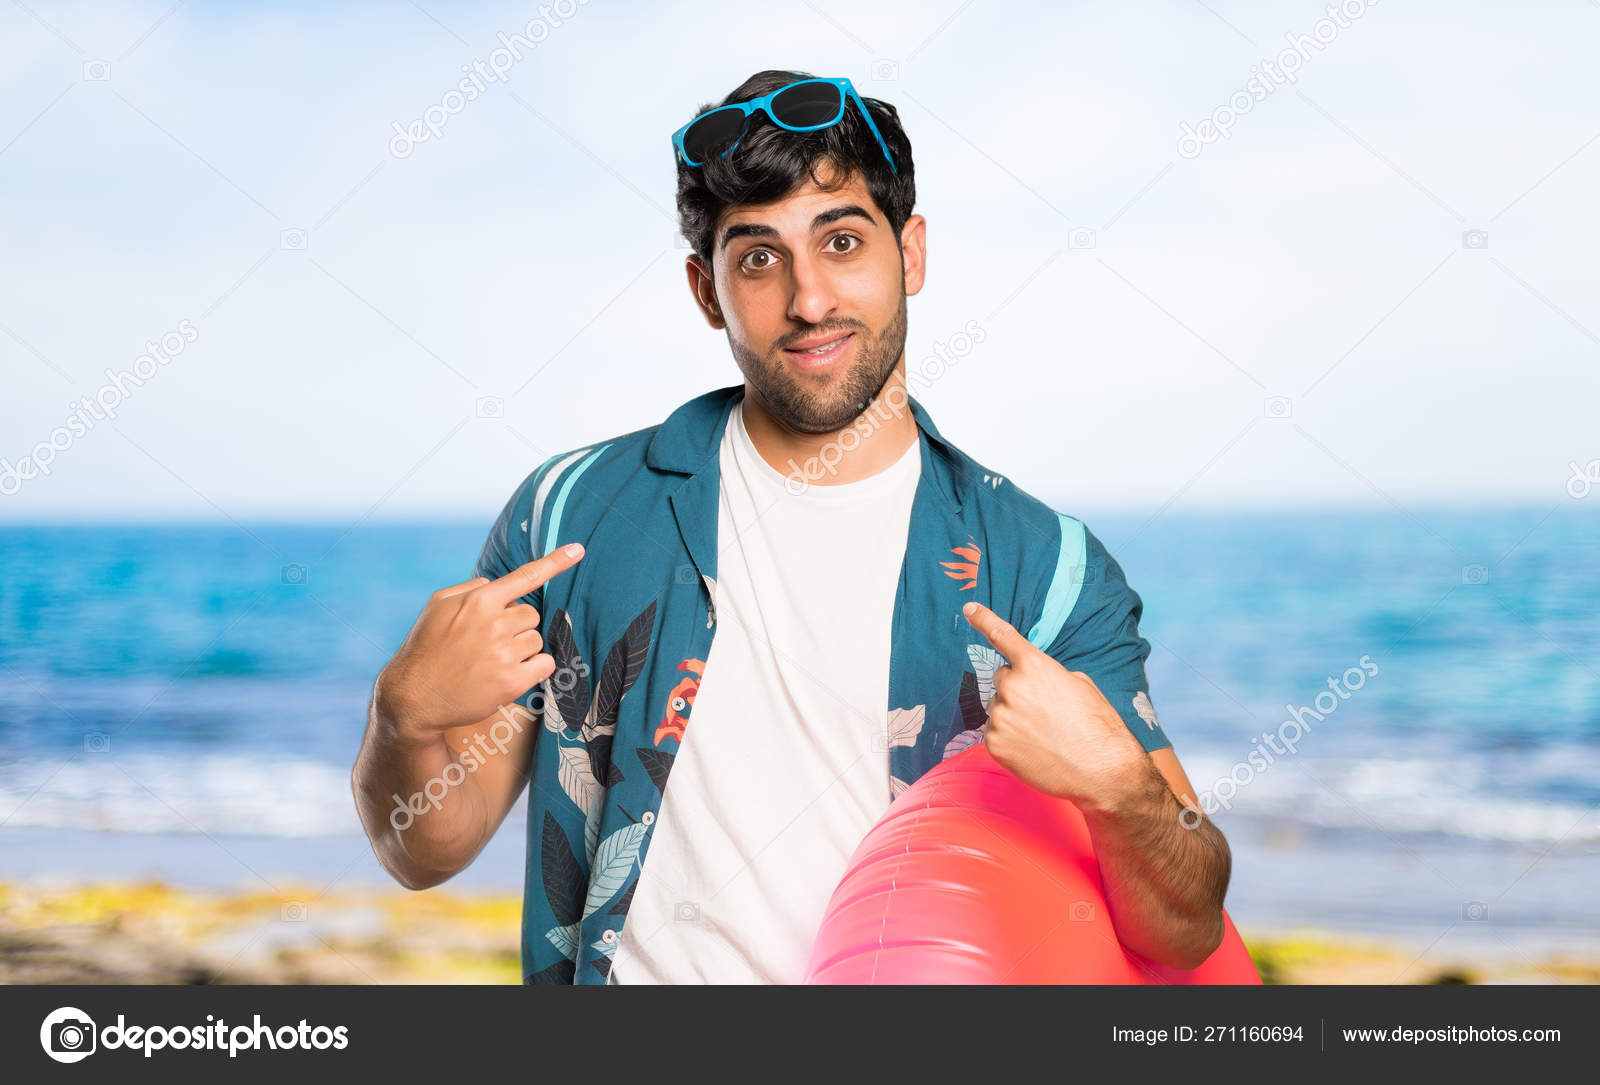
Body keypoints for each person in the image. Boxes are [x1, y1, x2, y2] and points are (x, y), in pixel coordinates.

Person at [352, 69, 1231, 985]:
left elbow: (1186, 927)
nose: (809, 300)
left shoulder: (1045, 568)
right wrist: (402, 716)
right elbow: (423, 850)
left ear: (912, 253)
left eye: (842, 241)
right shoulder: (570, 513)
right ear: (707, 290)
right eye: (759, 258)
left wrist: (1120, 789)